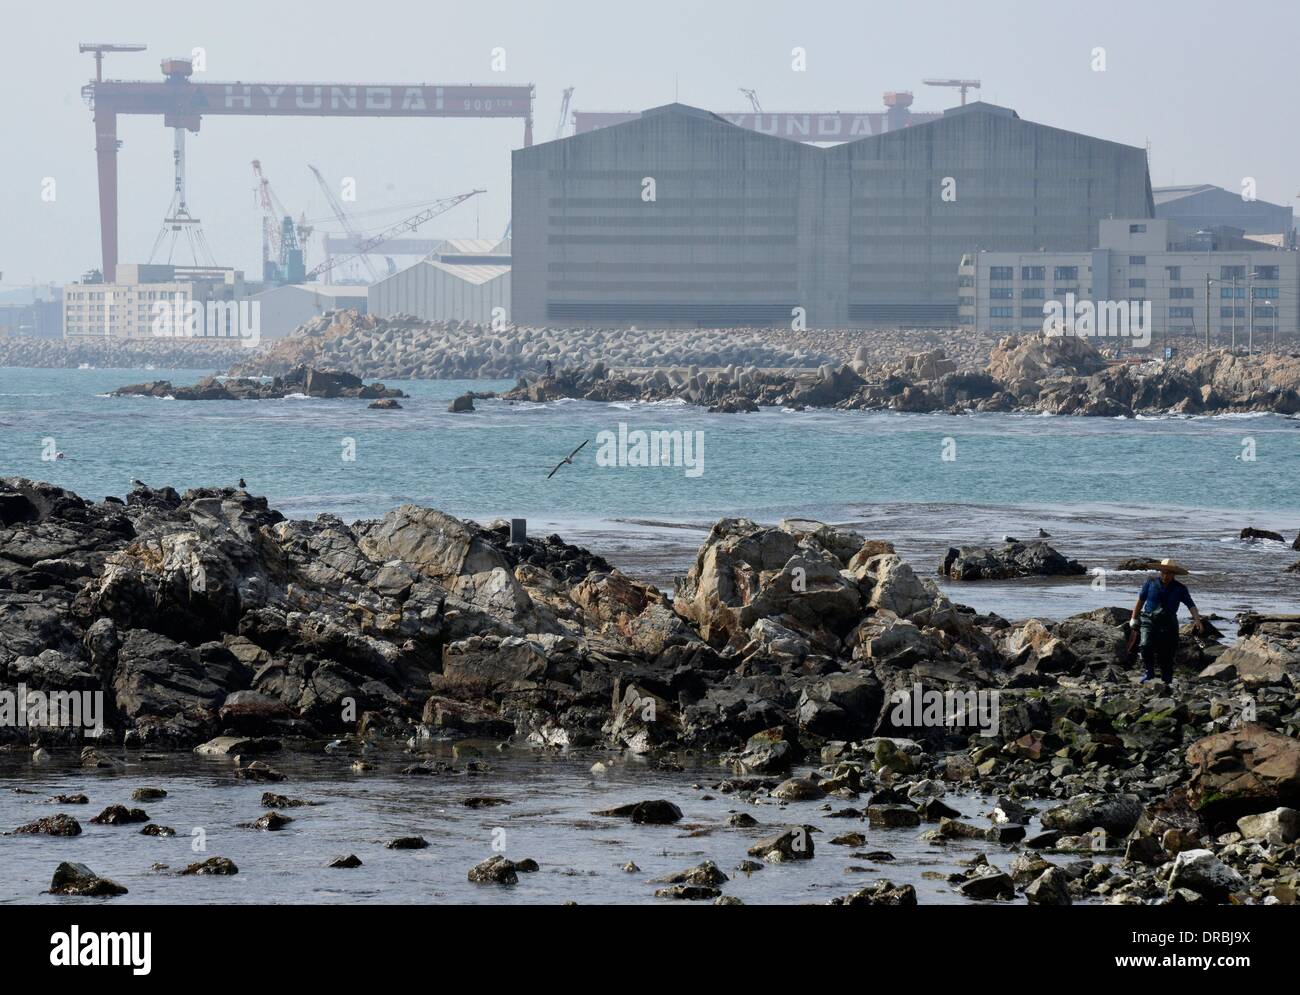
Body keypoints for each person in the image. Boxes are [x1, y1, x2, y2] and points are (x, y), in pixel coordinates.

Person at [1130, 558, 1203, 684]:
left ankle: (1167, 681)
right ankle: (1149, 672)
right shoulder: (1150, 582)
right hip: (1149, 619)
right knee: (1145, 645)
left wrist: (1198, 621)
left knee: (1167, 653)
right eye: (1163, 572)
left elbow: (1191, 605)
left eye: (1169, 573)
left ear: (1174, 574)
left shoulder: (1180, 588)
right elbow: (1141, 600)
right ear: (1160, 571)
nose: (1165, 575)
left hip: (1169, 623)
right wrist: (1133, 618)